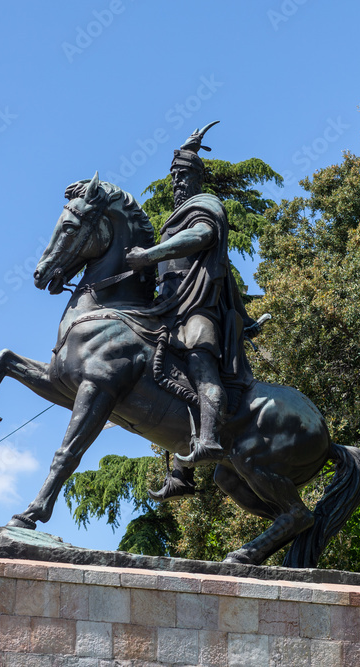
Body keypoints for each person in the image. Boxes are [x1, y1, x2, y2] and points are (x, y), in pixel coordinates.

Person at [126, 122, 257, 485]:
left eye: (184, 176)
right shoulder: (174, 218)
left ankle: (210, 440)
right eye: (174, 177)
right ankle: (180, 472)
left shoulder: (205, 206)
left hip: (197, 307)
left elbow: (201, 236)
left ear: (198, 178)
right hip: (168, 307)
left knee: (200, 366)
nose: (177, 182)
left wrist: (149, 255)